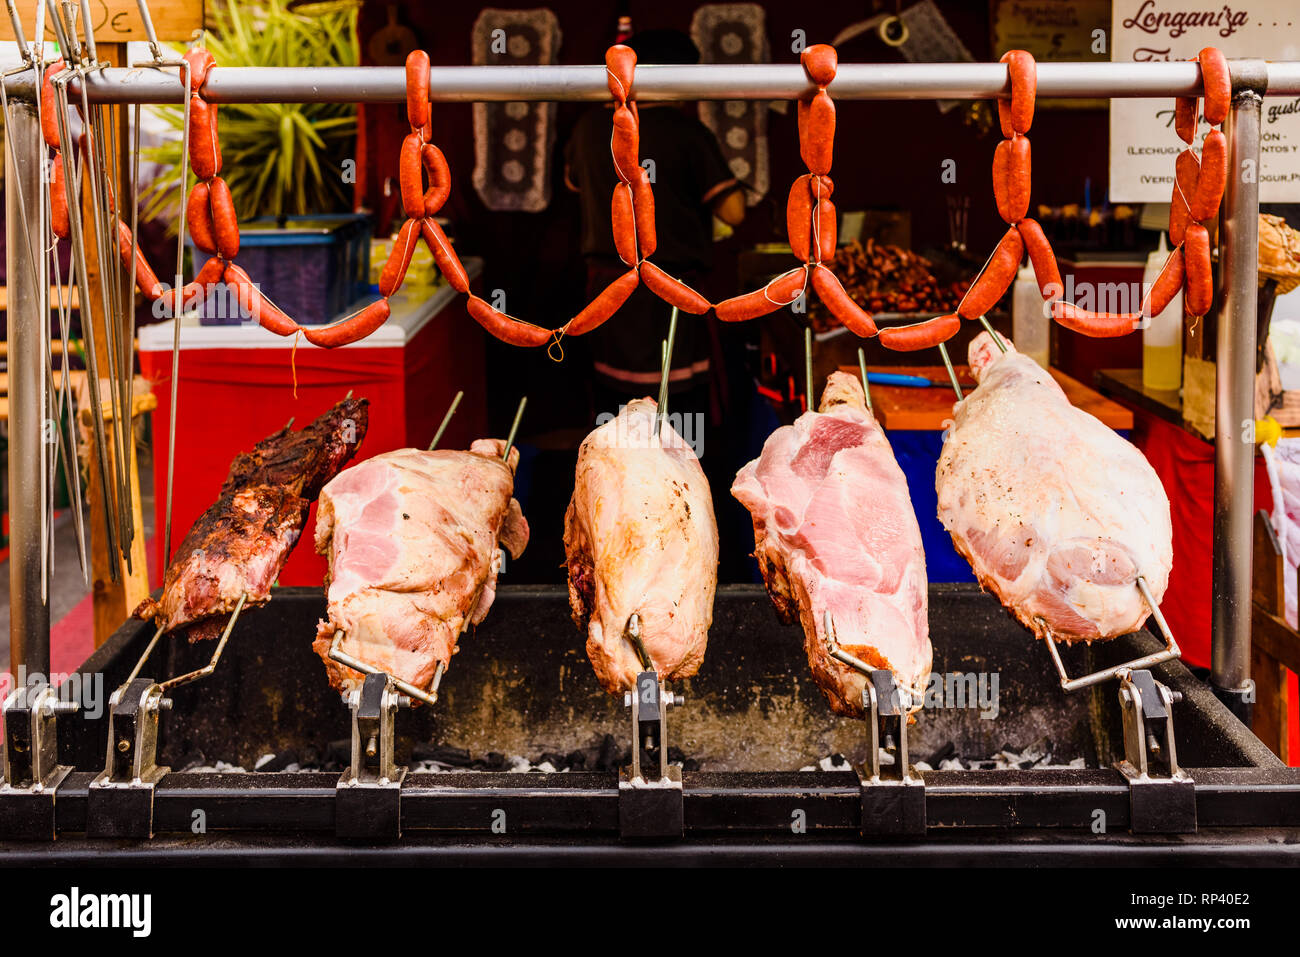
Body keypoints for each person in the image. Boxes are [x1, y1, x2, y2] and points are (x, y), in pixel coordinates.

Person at [564, 28, 745, 413]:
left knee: (614, 414)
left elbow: (579, 187)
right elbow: (734, 212)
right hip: (670, 292)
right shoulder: (687, 133)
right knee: (678, 413)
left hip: (606, 294)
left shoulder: (586, 128)